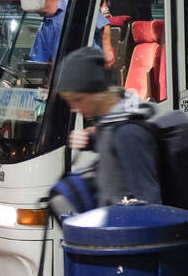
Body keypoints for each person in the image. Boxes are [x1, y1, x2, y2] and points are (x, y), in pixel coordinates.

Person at [57, 46, 160, 205]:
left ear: (96, 94)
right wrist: (92, 140)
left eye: (77, 99)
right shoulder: (112, 124)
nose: (74, 108)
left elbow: (149, 202)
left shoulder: (129, 133)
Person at [29, 0, 112, 68]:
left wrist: (107, 50)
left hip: (91, 67)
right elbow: (38, 61)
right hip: (65, 74)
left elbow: (104, 26)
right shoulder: (44, 28)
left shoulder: (76, 6)